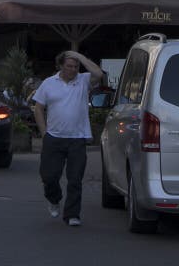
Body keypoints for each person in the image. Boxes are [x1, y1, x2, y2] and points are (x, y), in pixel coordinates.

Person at [33, 50, 104, 227]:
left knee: (75, 179)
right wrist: (44, 133)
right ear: (61, 66)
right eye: (69, 66)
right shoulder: (49, 83)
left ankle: (72, 214)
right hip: (54, 138)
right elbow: (38, 108)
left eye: (75, 66)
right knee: (49, 177)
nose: (73, 70)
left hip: (77, 138)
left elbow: (98, 74)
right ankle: (54, 199)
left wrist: (79, 56)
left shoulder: (83, 80)